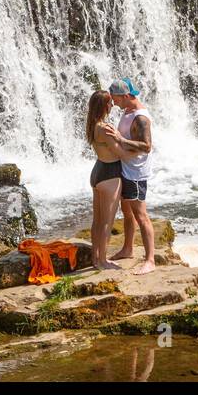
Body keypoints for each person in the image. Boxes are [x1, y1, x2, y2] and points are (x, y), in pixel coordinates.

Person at [100, 77, 157, 275]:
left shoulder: (141, 118)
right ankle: (128, 249)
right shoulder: (128, 110)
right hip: (126, 168)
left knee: (141, 216)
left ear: (126, 95)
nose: (113, 103)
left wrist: (120, 138)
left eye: (115, 99)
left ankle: (150, 260)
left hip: (136, 173)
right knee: (127, 212)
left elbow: (147, 146)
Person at [84, 89, 123, 271]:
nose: (112, 105)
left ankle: (95, 258)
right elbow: (120, 152)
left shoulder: (92, 125)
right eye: (110, 103)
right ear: (104, 106)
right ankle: (103, 261)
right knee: (107, 221)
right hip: (110, 174)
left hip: (97, 172)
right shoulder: (105, 129)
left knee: (97, 220)